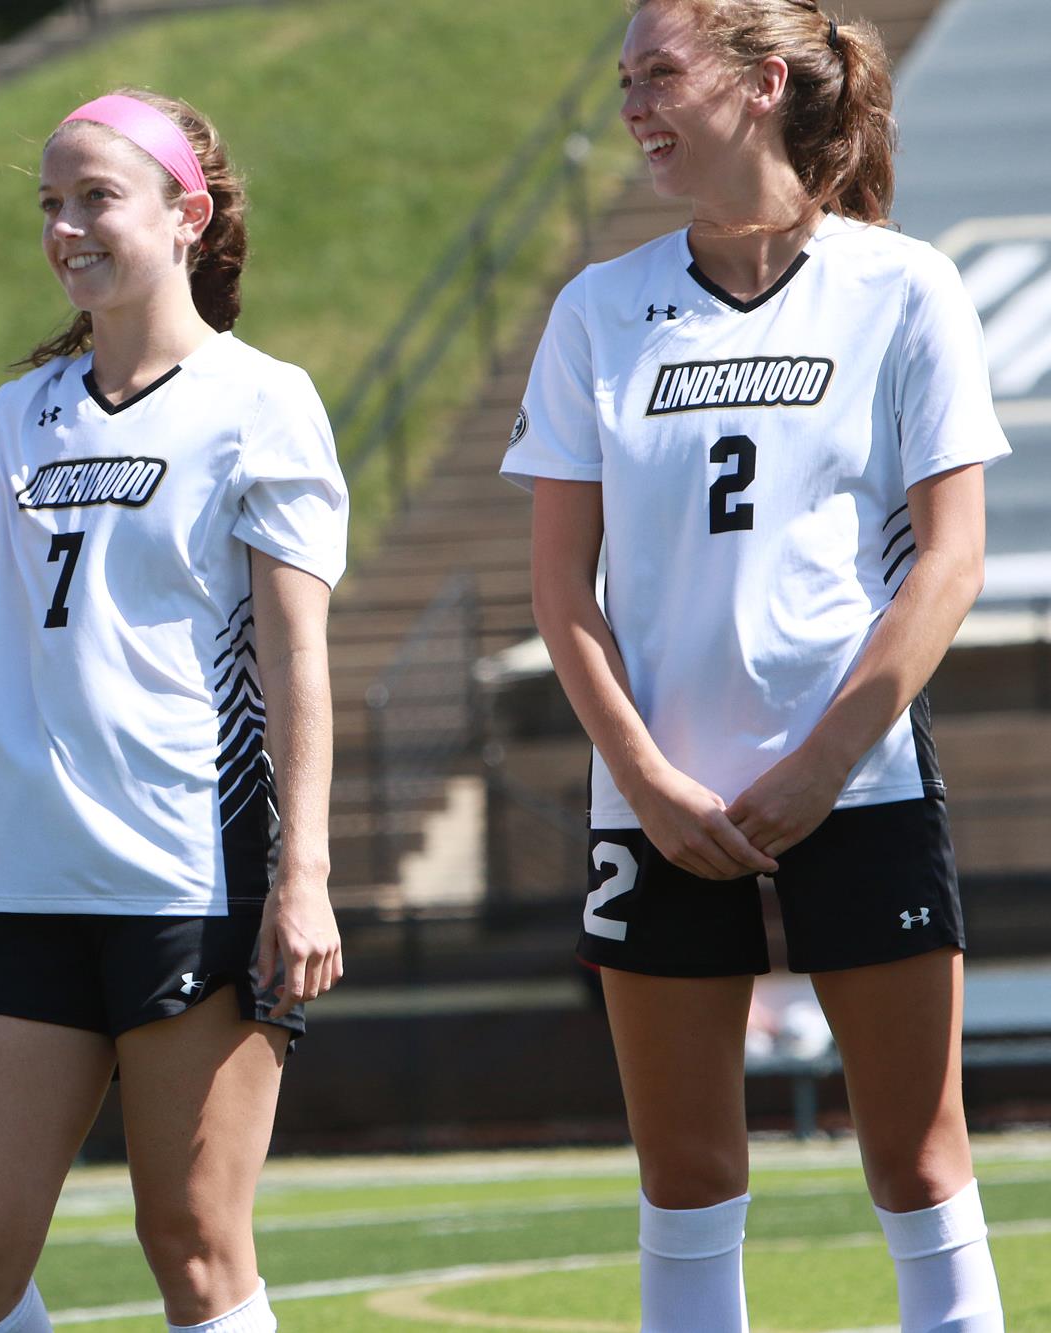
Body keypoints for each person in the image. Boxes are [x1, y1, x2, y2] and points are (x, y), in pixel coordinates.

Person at [502, 1, 1008, 1327]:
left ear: (764, 82)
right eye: (624, 80)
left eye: (658, 73)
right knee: (683, 1179)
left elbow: (951, 561)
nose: (633, 105)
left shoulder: (902, 286)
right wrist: (646, 783)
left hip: (864, 788)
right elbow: (559, 590)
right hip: (655, 809)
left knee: (919, 1164)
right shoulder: (597, 310)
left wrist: (824, 764)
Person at [0, 89, 348, 1333]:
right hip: (24, 884)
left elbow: (296, 657)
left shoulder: (260, 400)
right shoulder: (19, 414)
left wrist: (304, 876)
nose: (64, 226)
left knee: (194, 1248)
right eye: (50, 203)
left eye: (95, 198)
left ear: (186, 216)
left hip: (193, 879)